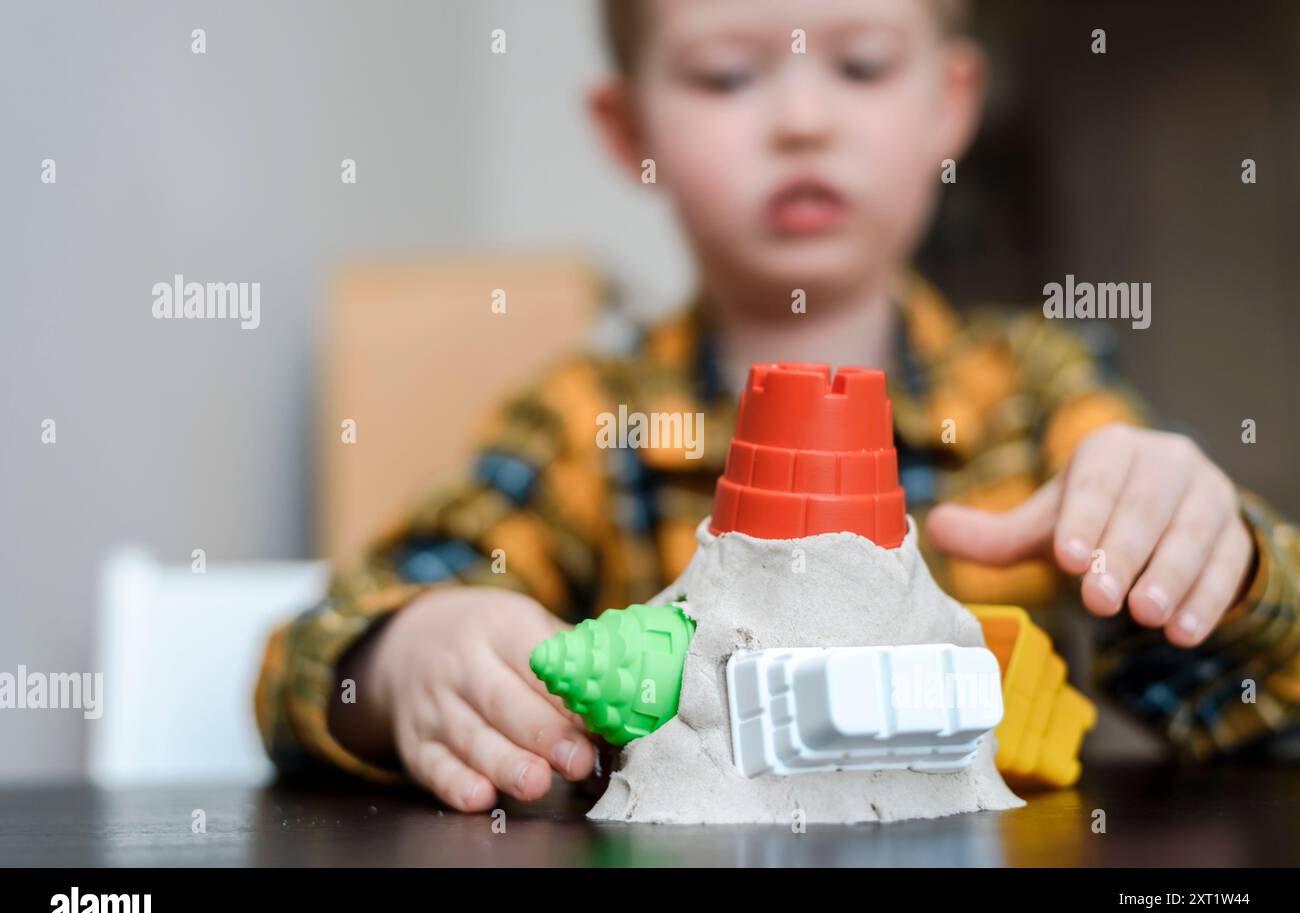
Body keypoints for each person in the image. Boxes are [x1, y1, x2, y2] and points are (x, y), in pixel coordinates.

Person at [255, 0, 1300, 811]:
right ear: (629, 131)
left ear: (950, 101)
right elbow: (304, 657)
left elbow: (1259, 718)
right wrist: (405, 662)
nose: (803, 120)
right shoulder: (584, 417)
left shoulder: (1040, 396)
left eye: (860, 65)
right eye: (726, 74)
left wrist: (1217, 559)